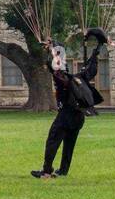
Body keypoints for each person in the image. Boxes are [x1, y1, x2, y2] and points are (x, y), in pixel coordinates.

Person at [33, 32, 107, 179]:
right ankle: (63, 170)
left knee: (53, 139)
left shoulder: (63, 78)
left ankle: (47, 170)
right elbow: (92, 68)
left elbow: (54, 68)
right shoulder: (80, 76)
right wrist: (97, 50)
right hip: (79, 116)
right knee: (69, 143)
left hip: (67, 114)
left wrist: (50, 50)